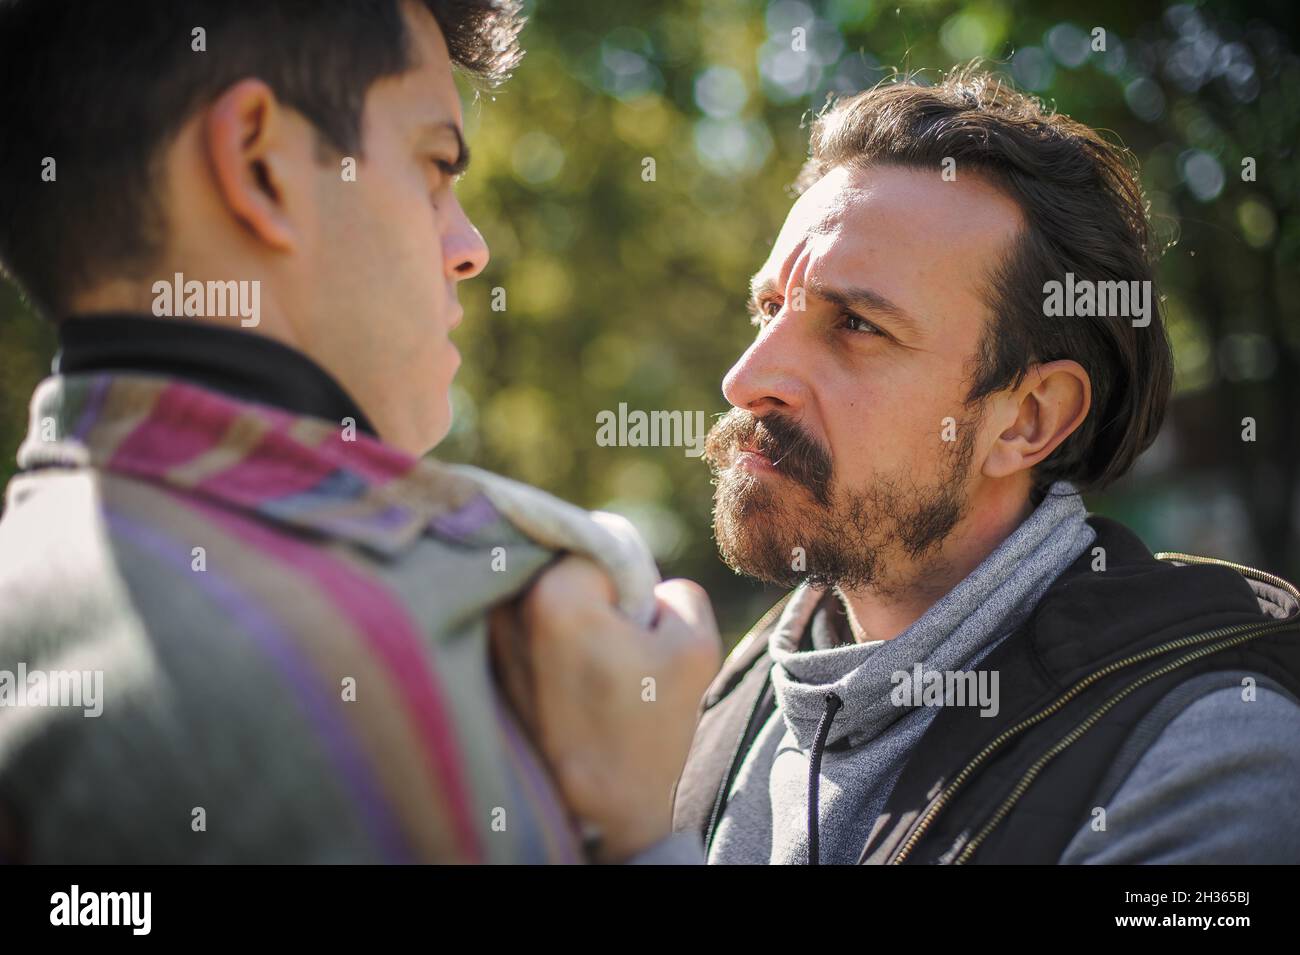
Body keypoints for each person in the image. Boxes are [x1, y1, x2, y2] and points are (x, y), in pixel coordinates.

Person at [0, 0, 718, 864]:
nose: (471, 247)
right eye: (436, 165)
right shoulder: (360, 664)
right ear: (260, 164)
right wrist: (644, 827)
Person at [658, 67, 1300, 864]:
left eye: (856, 324)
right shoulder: (734, 693)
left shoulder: (1202, 755)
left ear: (1027, 420)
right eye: (768, 309)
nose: (744, 379)